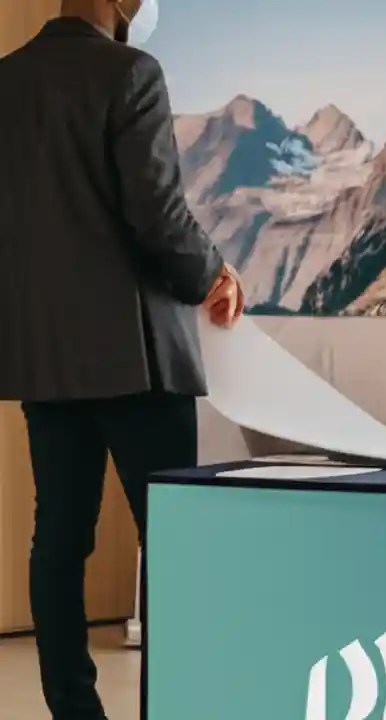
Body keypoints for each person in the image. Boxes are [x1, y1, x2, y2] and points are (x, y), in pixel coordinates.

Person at [0, 1, 244, 717]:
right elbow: (157, 214)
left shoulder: (7, 81)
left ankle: (73, 710)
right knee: (173, 546)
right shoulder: (131, 73)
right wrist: (214, 274)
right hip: (138, 361)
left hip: (45, 355)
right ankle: (170, 704)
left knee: (59, 540)